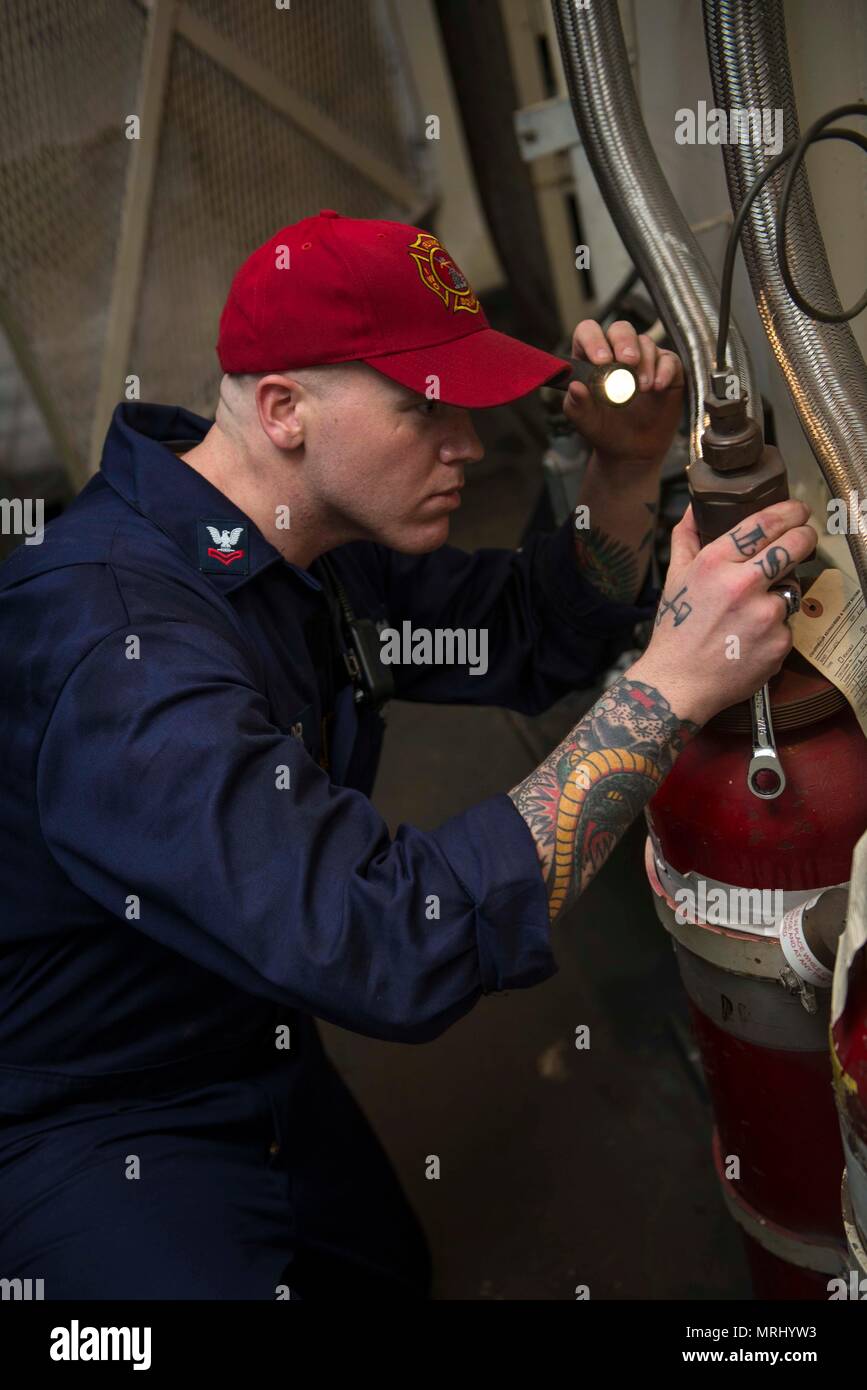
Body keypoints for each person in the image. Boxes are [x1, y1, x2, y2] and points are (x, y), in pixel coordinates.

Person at [0, 211, 815, 1300]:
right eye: (423, 410)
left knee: (384, 1272)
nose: (467, 448)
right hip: (86, 1113)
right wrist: (668, 691)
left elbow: (530, 626)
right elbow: (387, 934)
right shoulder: (124, 654)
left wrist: (623, 468)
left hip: (249, 1032)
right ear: (285, 410)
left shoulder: (301, 542)